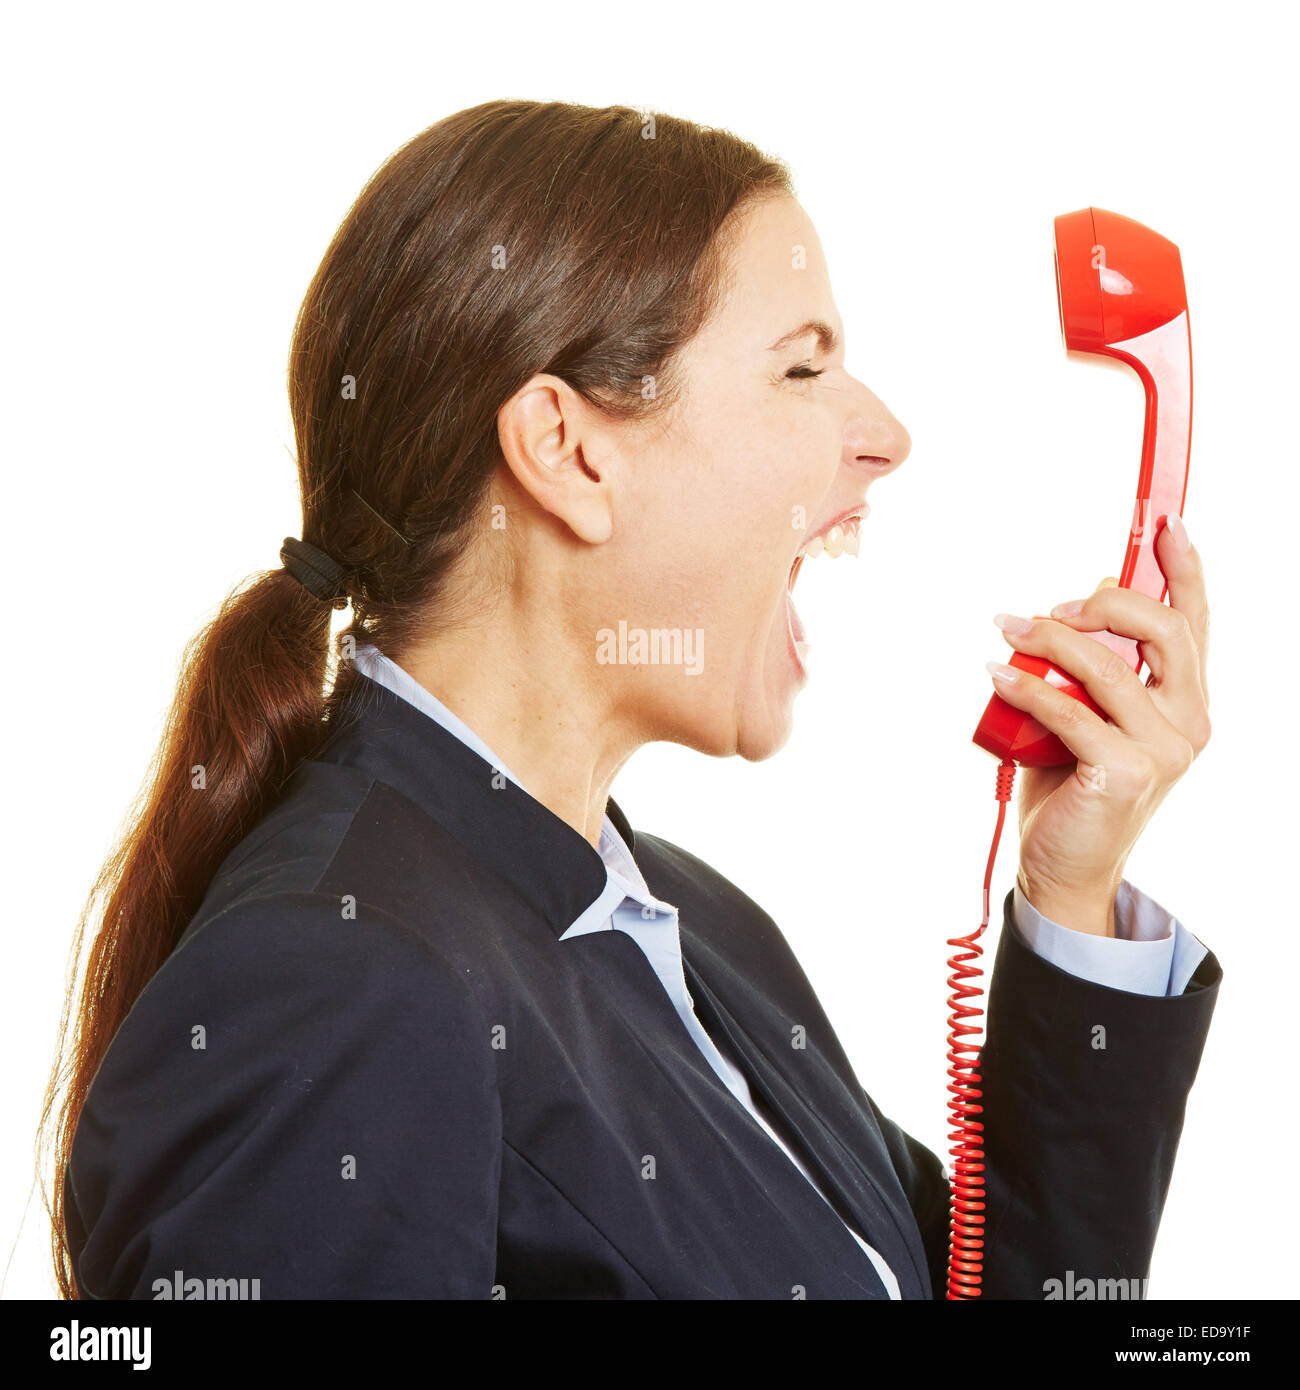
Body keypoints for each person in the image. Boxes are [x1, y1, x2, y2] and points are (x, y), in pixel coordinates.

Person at [41, 99, 1218, 1301]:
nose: (883, 435)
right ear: (566, 451)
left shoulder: (694, 927)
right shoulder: (330, 988)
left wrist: (1071, 896)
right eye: (802, 367)